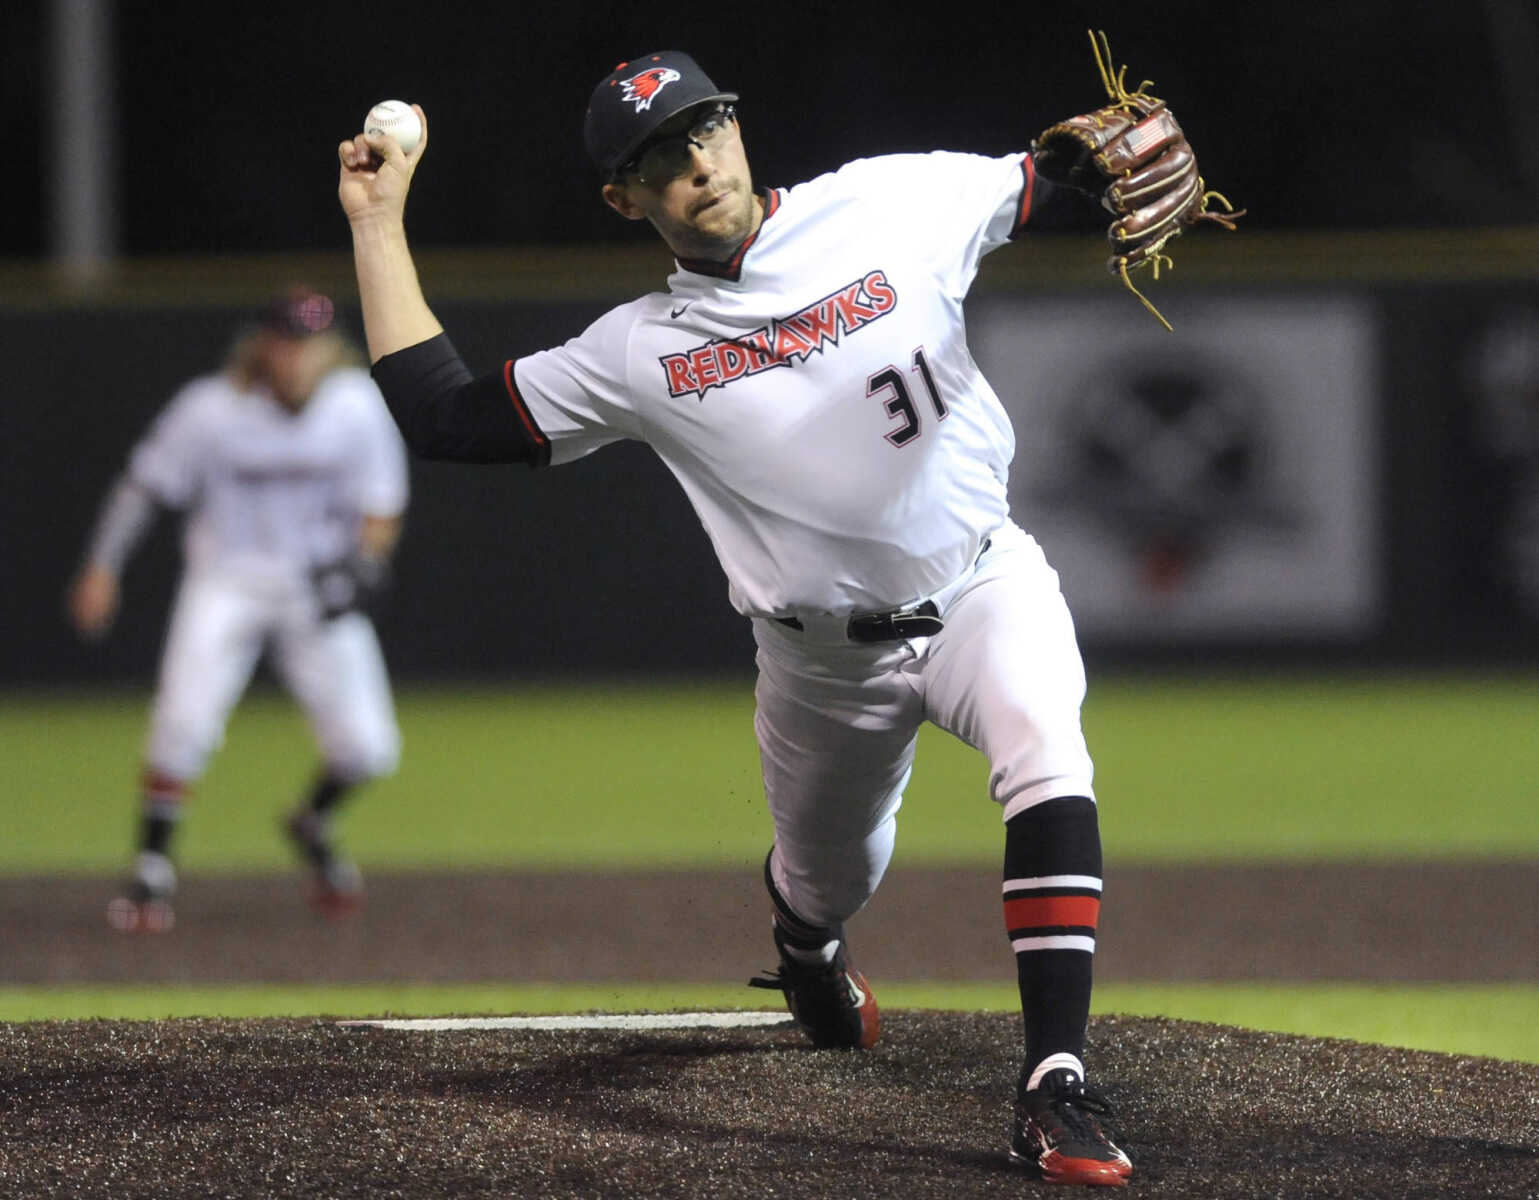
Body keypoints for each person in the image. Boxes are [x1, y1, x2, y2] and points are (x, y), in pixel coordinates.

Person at [336, 51, 1164, 1186]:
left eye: (701, 133)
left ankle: (1054, 1083)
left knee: (1048, 755)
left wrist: (1097, 166)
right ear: (623, 200)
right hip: (824, 666)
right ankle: (808, 951)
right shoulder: (637, 349)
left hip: (983, 584)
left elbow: (1050, 179)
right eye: (654, 163)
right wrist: (378, 223)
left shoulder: (887, 201)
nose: (691, 168)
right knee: (829, 878)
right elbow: (441, 417)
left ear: (735, 129)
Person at [67, 288, 410, 933]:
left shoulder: (356, 406)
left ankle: (311, 819)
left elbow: (382, 509)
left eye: (308, 340)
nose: (296, 354)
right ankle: (151, 868)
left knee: (369, 748)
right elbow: (142, 487)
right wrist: (101, 566)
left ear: (326, 346)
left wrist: (366, 564)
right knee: (183, 722)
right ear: (261, 343)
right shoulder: (212, 409)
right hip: (226, 580)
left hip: (314, 584)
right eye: (285, 339)